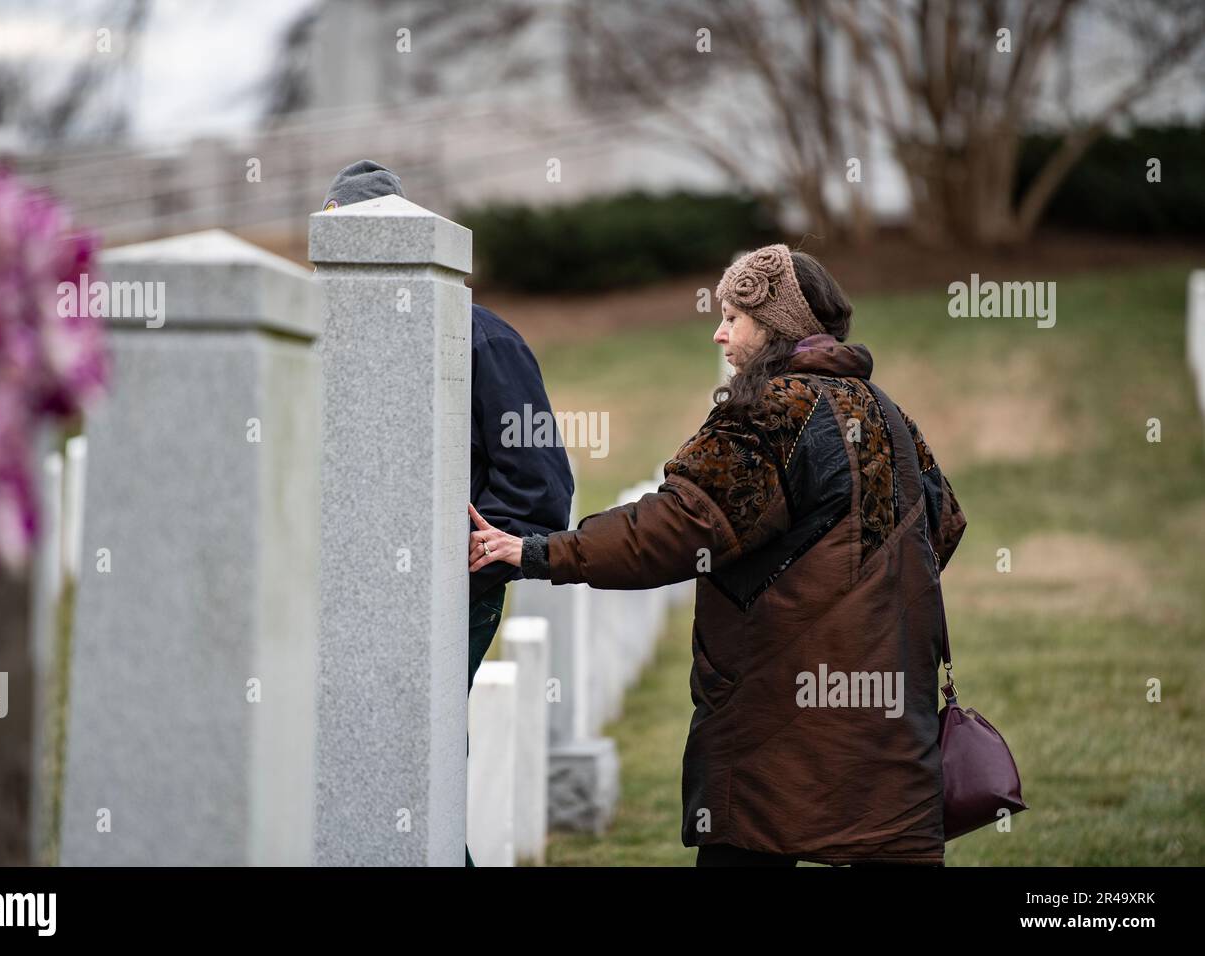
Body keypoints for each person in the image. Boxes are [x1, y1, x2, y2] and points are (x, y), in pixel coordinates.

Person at [468, 243, 966, 867]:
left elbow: (672, 528)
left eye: (733, 317)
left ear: (776, 325)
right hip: (893, 710)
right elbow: (943, 525)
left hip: (775, 718)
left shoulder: (769, 411)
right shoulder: (889, 413)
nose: (718, 332)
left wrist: (542, 551)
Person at [321, 160, 575, 867]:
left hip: (449, 596)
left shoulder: (486, 341)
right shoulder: (325, 336)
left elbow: (541, 487)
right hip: (341, 600)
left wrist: (454, 567)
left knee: (410, 773)